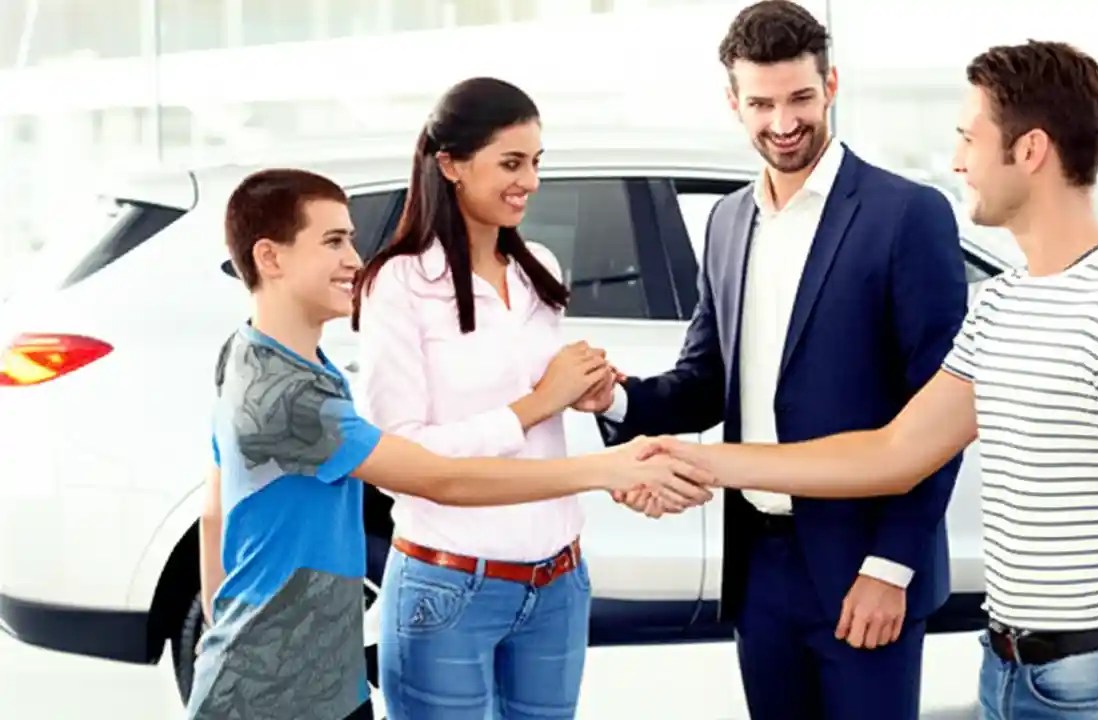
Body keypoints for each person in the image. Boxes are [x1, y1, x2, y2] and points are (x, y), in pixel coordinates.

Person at [648, 39, 1098, 720]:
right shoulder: (1003, 306)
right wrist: (697, 459)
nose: (957, 162)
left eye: (969, 138)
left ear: (1029, 151)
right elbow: (893, 453)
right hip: (1008, 674)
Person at [190, 167, 712, 720]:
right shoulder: (291, 397)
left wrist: (220, 634)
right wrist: (607, 469)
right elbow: (443, 477)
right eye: (334, 242)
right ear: (270, 258)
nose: (354, 260)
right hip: (276, 696)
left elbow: (213, 515)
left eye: (350, 239)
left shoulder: (255, 353)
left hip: (305, 681)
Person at [587, 2, 969, 717]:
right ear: (734, 102)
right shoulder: (729, 223)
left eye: (799, 97)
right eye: (761, 103)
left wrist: (891, 567)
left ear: (831, 85)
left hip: (864, 565)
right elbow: (706, 383)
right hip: (760, 569)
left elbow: (939, 416)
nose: (783, 122)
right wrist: (614, 400)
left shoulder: (906, 215)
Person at [349, 76, 651, 720]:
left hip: (558, 583)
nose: (532, 181)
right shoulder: (398, 285)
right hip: (450, 583)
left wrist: (587, 395)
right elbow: (402, 459)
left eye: (536, 162)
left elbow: (543, 403)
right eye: (511, 163)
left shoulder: (538, 267)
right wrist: (537, 403)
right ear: (450, 164)